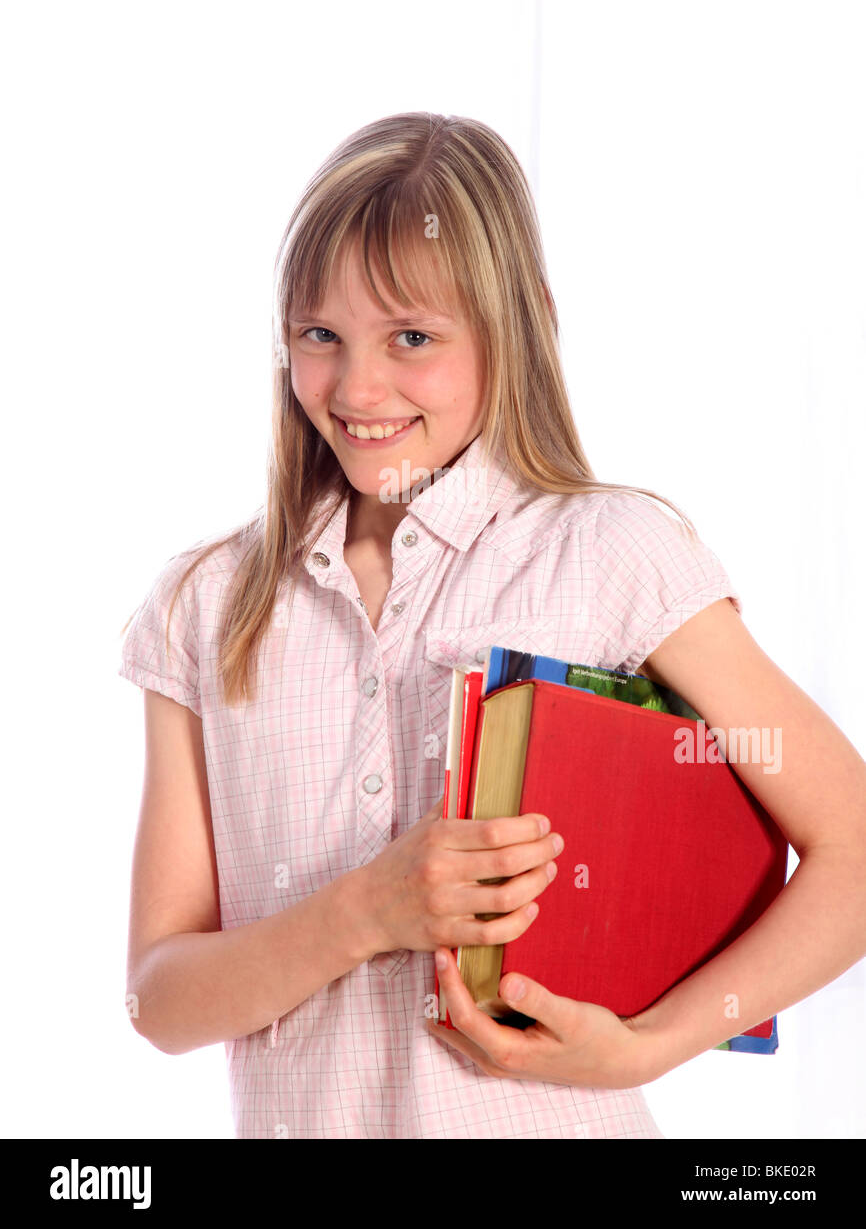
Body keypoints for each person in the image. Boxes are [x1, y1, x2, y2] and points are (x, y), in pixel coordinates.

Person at [118, 112, 866, 1139]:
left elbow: (852, 848)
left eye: (411, 337)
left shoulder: (606, 554)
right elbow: (156, 998)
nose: (356, 388)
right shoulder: (208, 605)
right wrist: (365, 911)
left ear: (510, 327)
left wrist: (645, 1049)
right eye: (318, 334)